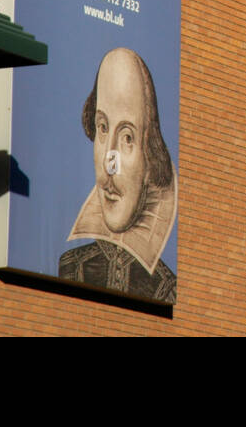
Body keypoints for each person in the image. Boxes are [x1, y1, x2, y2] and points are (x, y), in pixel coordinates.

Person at [59, 47, 176, 303]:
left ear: (151, 157)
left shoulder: (166, 288)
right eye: (102, 127)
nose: (109, 162)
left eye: (127, 137)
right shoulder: (68, 267)